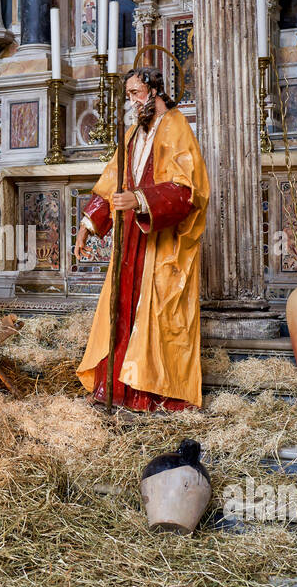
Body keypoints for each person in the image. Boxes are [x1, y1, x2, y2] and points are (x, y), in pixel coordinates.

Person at [73, 66, 210, 411]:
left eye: (135, 93)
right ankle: (119, 390)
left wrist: (140, 200)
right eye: (129, 95)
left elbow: (188, 190)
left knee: (158, 314)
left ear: (154, 90)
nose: (132, 101)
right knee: (121, 307)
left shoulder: (176, 127)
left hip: (159, 239)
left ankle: (154, 395)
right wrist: (88, 225)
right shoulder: (135, 134)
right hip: (131, 239)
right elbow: (113, 180)